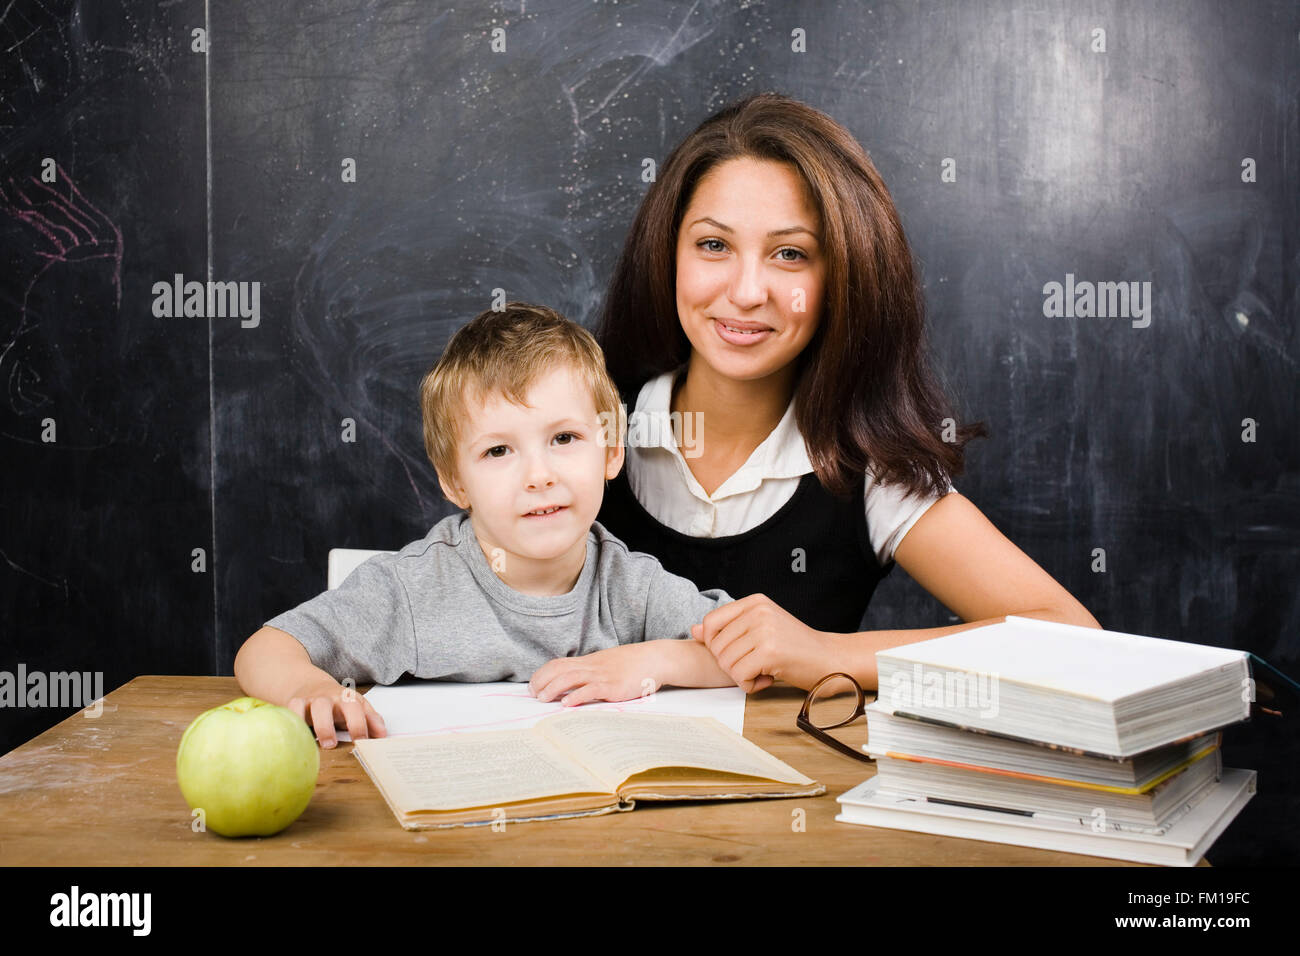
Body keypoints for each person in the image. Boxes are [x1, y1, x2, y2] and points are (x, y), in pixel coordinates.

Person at [595, 92, 1100, 695]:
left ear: (843, 277)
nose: (748, 291)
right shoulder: (581, 430)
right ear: (667, 254)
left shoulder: (866, 471)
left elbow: (1072, 637)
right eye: (713, 245)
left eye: (790, 254)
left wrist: (826, 654)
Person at [234, 304, 738, 748]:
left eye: (564, 438)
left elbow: (740, 652)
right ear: (455, 482)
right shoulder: (415, 592)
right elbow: (265, 650)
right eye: (498, 450)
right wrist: (312, 688)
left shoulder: (632, 587)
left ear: (610, 451)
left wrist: (651, 662)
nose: (539, 476)